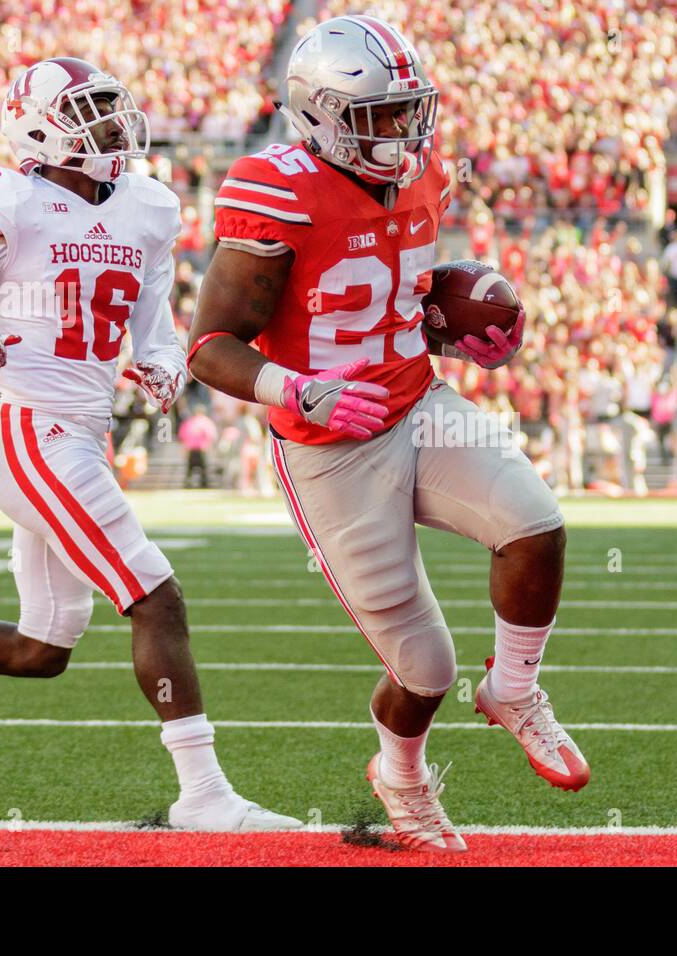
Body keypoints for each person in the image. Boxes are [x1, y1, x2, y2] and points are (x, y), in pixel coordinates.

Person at [0, 57, 298, 832]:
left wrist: (160, 358)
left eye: (112, 109)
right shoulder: (11, 202)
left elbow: (151, 311)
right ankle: (204, 794)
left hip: (83, 432)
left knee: (41, 649)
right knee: (157, 597)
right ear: (41, 128)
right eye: (91, 112)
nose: (113, 126)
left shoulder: (146, 204)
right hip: (32, 435)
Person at [186, 16, 586, 853]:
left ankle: (514, 689)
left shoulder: (426, 170)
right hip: (329, 443)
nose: (404, 132)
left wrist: (458, 327)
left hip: (415, 400)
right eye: (382, 115)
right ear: (320, 115)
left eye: (410, 110)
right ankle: (400, 778)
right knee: (426, 671)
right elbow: (210, 347)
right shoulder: (275, 189)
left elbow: (399, 296)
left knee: (536, 525)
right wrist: (300, 389)